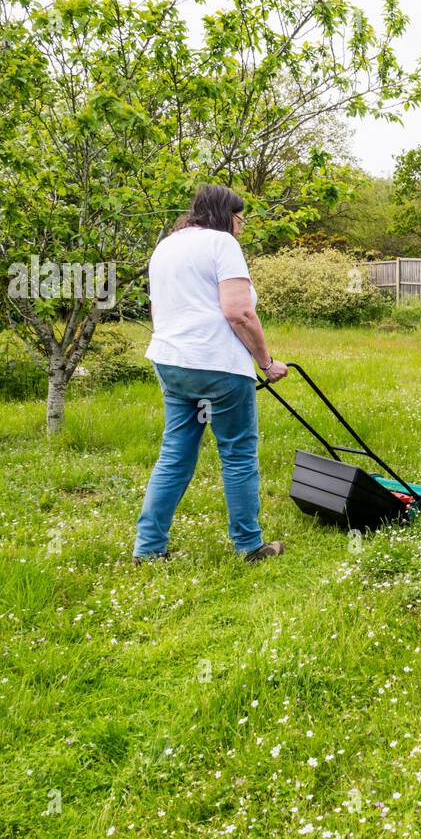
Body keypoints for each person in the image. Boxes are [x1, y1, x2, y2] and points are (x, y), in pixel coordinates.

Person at [132, 184, 289, 565]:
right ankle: (250, 546)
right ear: (224, 215)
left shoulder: (166, 246)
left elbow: (160, 311)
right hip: (217, 366)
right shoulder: (222, 245)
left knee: (174, 455)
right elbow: (239, 312)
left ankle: (148, 549)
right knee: (237, 454)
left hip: (172, 362)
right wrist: (267, 364)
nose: (243, 225)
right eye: (239, 217)